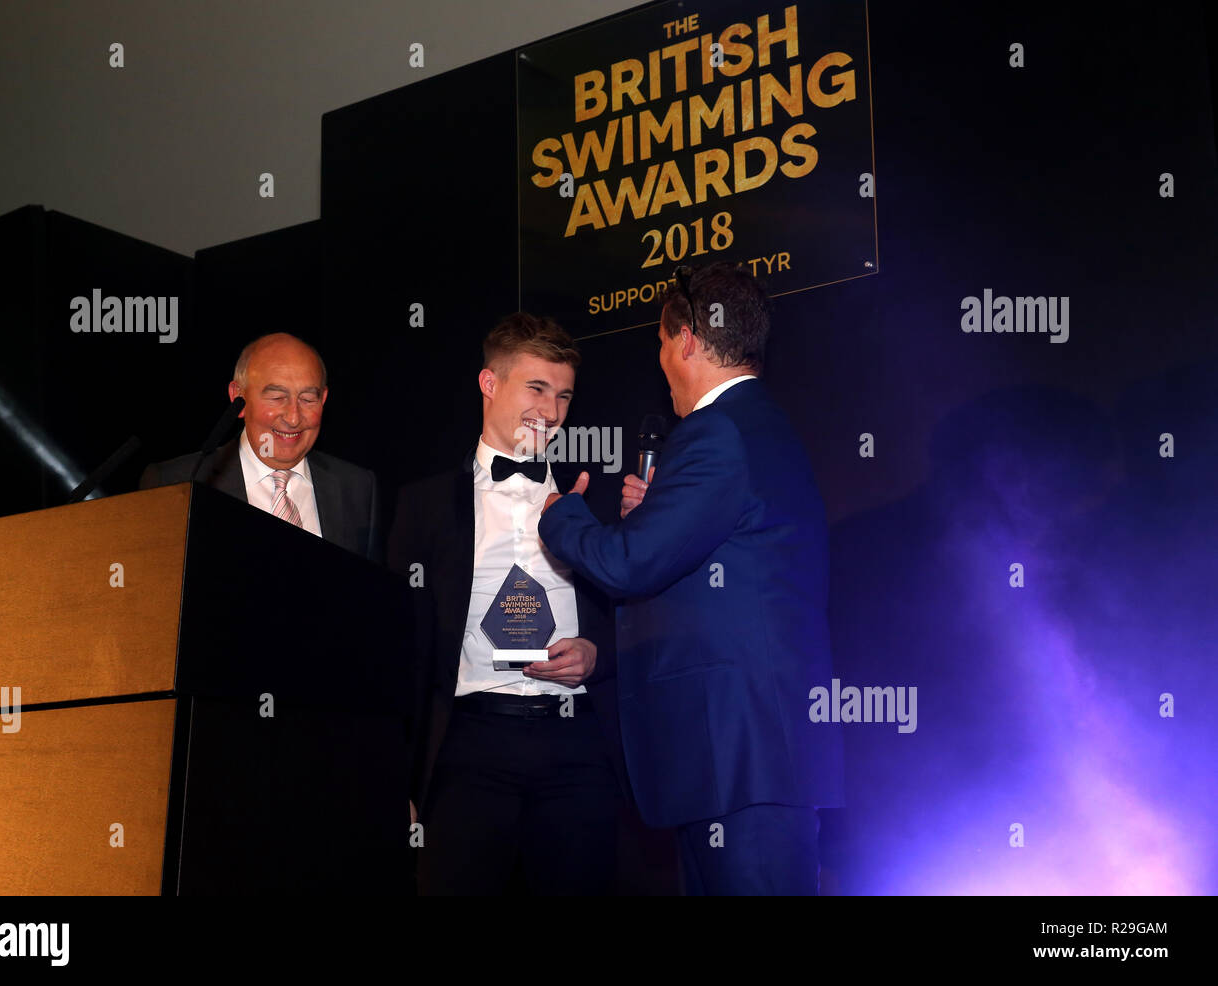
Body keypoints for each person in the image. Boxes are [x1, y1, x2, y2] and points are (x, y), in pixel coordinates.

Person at [538, 262, 843, 895]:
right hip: (747, 761)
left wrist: (562, 517)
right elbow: (707, 556)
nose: (660, 362)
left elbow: (627, 565)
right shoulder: (758, 424)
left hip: (743, 761)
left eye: (658, 343)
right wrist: (654, 520)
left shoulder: (717, 431)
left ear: (685, 342)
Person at [388, 313, 624, 895]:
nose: (551, 409)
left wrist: (598, 654)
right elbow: (398, 650)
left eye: (564, 394)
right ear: (489, 384)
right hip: (468, 748)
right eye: (536, 387)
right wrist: (396, 777)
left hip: (578, 747)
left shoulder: (595, 500)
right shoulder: (422, 505)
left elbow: (636, 616)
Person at [140, 332, 381, 562]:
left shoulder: (357, 489)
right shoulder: (175, 482)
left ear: (324, 399)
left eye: (308, 399)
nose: (294, 417)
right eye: (277, 398)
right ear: (238, 398)